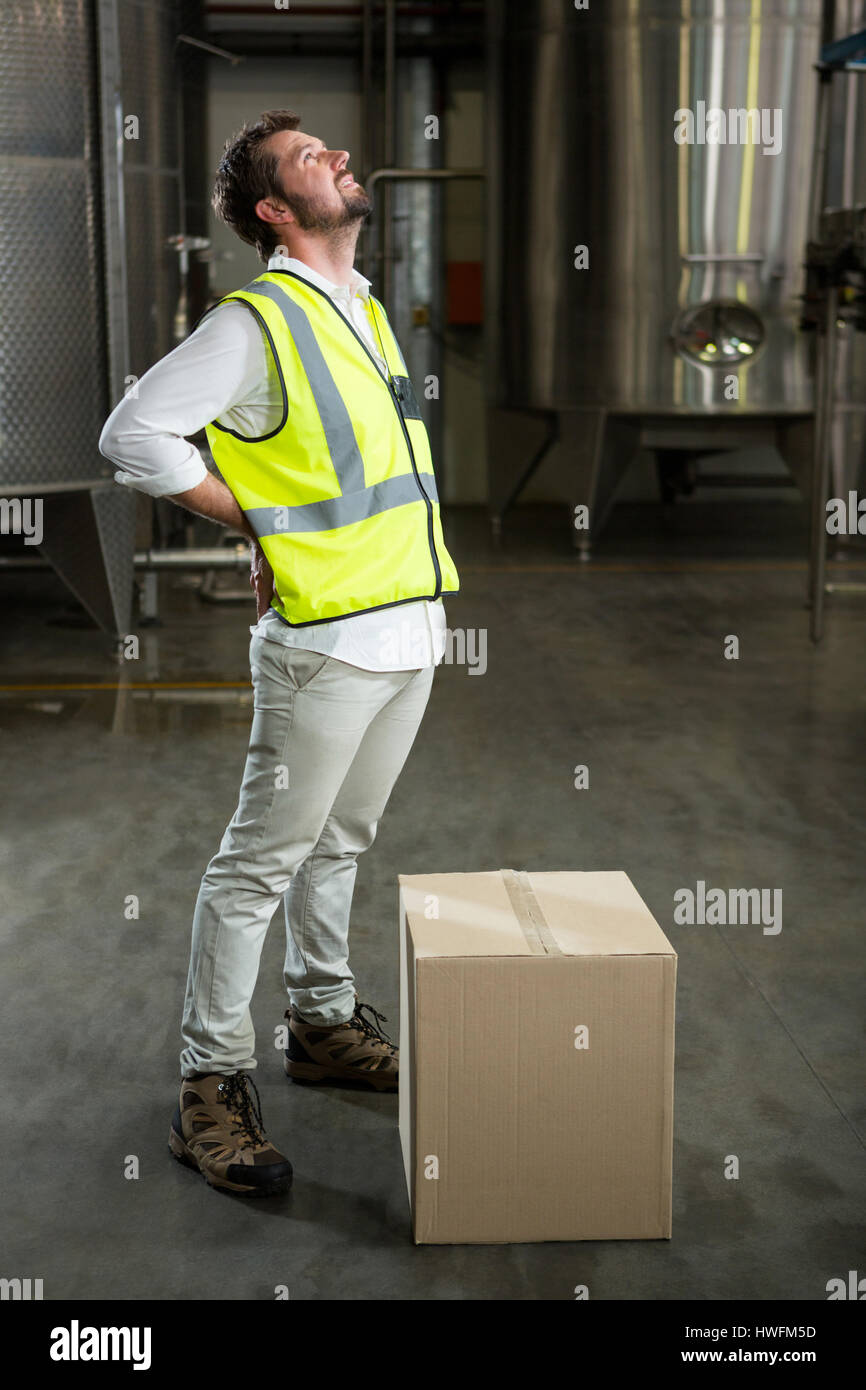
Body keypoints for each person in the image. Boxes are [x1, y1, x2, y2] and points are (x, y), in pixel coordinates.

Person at [98, 109, 460, 1197]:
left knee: (341, 842)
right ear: (273, 207)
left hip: (405, 626)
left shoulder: (359, 309)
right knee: (257, 863)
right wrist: (246, 518)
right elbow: (133, 434)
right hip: (325, 640)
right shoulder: (257, 322)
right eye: (312, 158)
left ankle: (319, 1021)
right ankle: (210, 1083)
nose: (339, 159)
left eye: (333, 151)